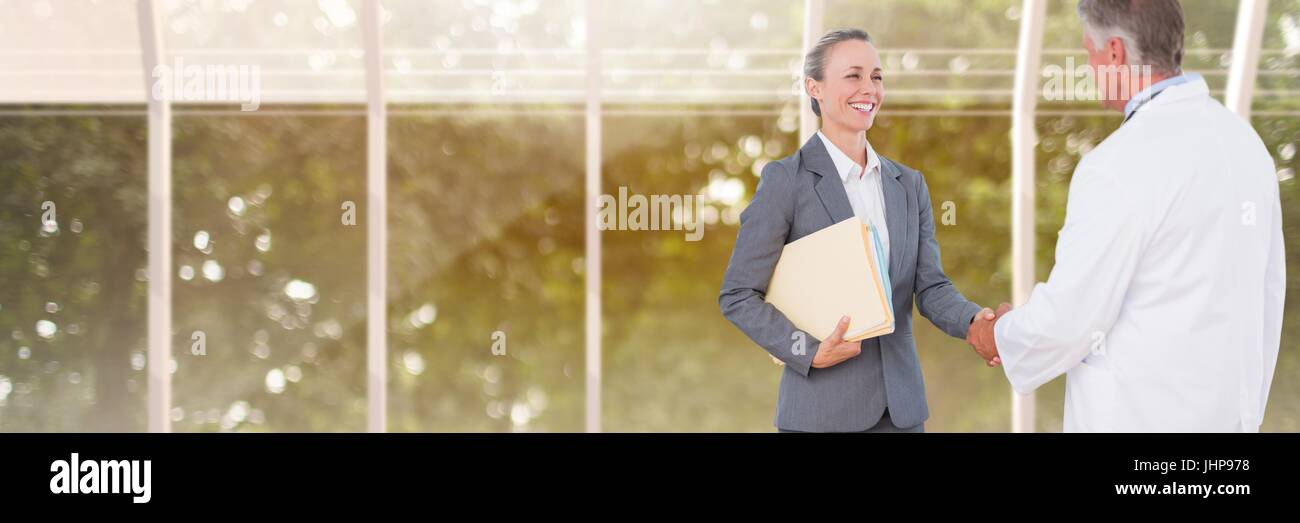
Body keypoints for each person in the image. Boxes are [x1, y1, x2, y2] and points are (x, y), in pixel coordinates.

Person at [969, 0, 1285, 432]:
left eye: (1089, 54)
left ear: (1115, 53)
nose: (1088, 67)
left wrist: (1000, 334)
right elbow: (1267, 302)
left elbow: (1068, 322)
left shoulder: (1117, 166)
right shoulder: (1246, 148)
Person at [719, 28, 998, 433]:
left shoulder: (908, 185)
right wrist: (808, 351)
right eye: (853, 75)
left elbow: (931, 287)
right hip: (820, 416)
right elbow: (738, 294)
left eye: (877, 76)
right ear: (814, 87)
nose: (869, 88)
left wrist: (975, 322)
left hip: (902, 414)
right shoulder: (786, 181)